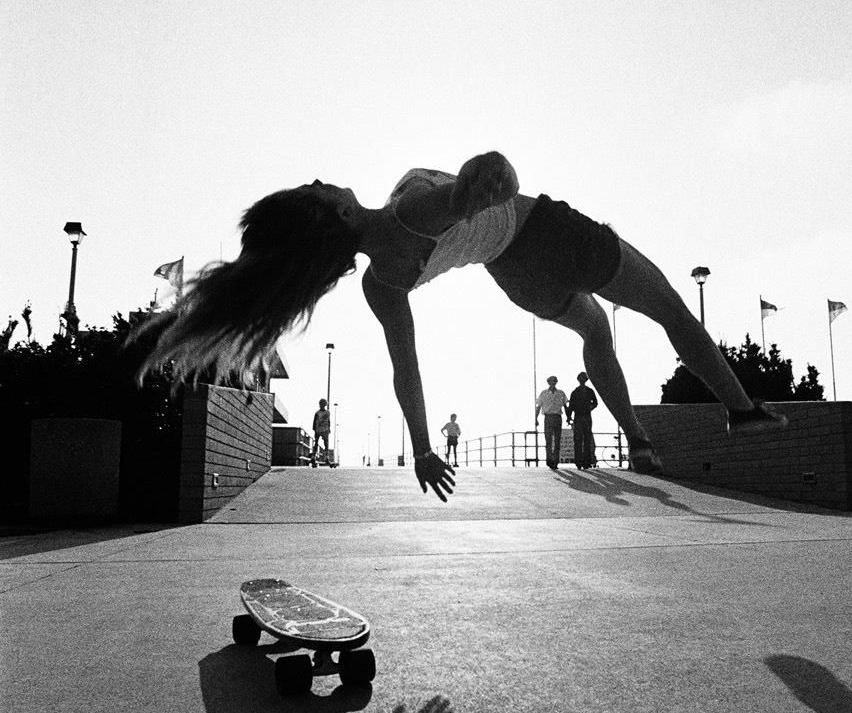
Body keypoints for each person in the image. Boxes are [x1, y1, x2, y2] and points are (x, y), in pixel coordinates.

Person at [137, 150, 785, 504]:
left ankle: (638, 439)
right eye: (310, 184)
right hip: (546, 233)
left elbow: (406, 367)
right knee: (669, 305)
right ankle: (741, 408)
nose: (316, 175)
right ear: (326, 205)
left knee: (595, 333)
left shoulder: (379, 282)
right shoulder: (406, 210)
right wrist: (482, 181)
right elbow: (453, 196)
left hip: (512, 274)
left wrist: (422, 446)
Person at [535, 375, 569, 469]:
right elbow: (538, 406)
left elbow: (565, 406)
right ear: (548, 382)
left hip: (557, 417)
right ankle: (549, 461)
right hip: (548, 417)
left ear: (556, 382)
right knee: (548, 441)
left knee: (557, 440)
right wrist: (536, 418)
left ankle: (555, 462)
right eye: (551, 381)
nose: (553, 383)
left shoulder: (561, 393)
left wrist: (568, 417)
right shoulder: (543, 393)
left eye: (554, 381)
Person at [568, 371, 599, 469]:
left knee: (586, 439)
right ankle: (579, 462)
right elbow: (571, 406)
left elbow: (595, 403)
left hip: (586, 416)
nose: (582, 381)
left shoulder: (589, 391)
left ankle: (586, 462)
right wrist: (569, 416)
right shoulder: (575, 392)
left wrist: (590, 408)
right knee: (578, 440)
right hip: (579, 417)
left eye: (583, 379)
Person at [311, 398, 331, 466]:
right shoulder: (317, 413)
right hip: (318, 429)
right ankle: (313, 457)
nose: (322, 405)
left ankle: (326, 457)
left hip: (324, 429)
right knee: (316, 443)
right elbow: (314, 421)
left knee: (326, 444)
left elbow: (328, 421)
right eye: (321, 404)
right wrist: (314, 429)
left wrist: (329, 428)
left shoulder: (327, 412)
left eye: (323, 404)